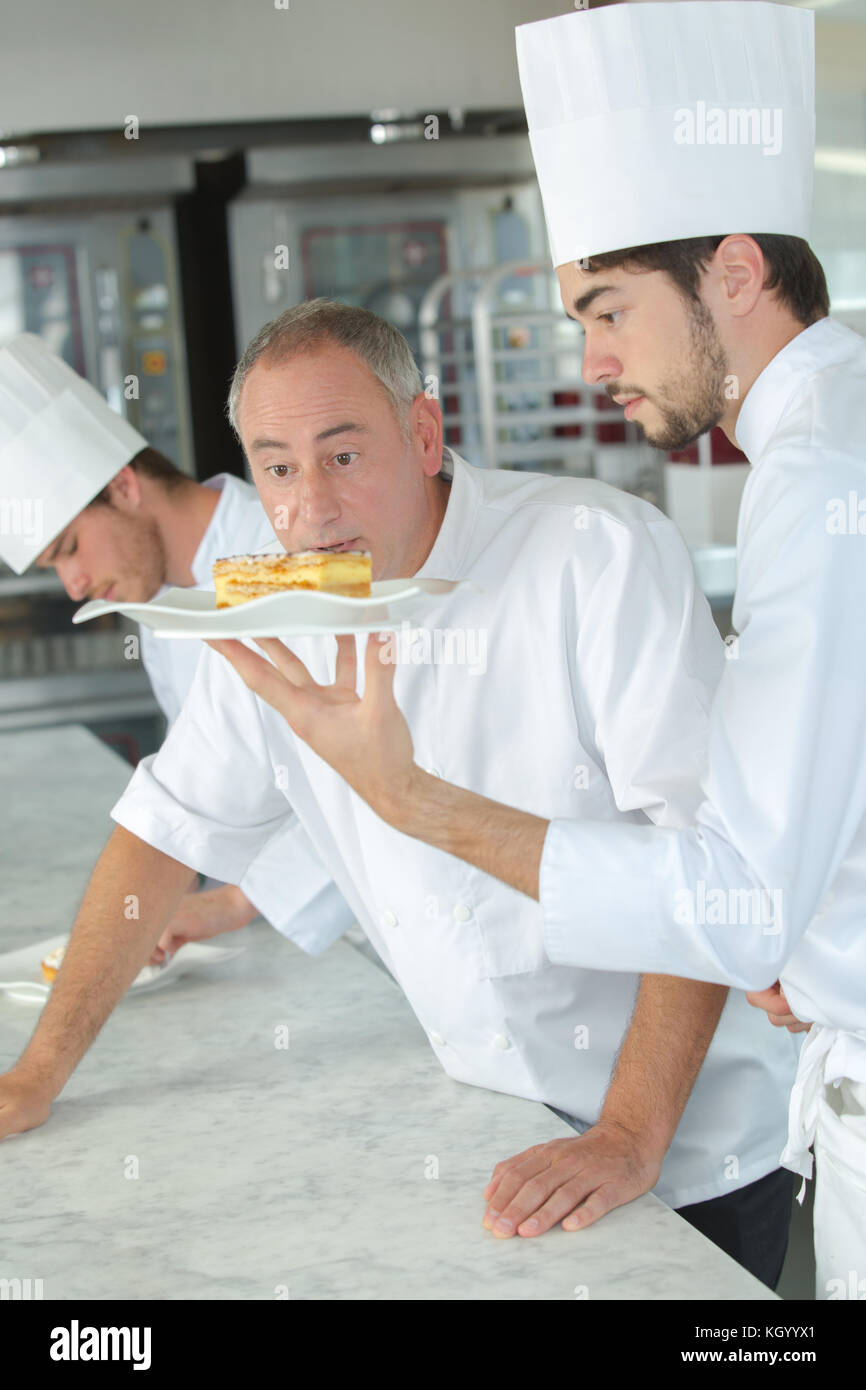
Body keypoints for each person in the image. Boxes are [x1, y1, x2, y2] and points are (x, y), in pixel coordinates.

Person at [241, 4, 866, 1300]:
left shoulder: (813, 480)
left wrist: (409, 797)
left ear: (735, 272)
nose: (590, 359)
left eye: (609, 308)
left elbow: (727, 896)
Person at [0, 299, 801, 1290]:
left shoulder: (595, 552)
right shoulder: (278, 610)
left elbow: (699, 868)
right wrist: (34, 1078)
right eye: (277, 467)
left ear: (422, 433)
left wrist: (631, 1133)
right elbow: (164, 831)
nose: (310, 508)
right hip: (489, 1126)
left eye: (343, 456)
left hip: (682, 1147)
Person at [0, 332, 352, 964]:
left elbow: (367, 777)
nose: (74, 586)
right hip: (262, 946)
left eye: (70, 549)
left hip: (357, 934)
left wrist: (239, 901)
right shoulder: (152, 590)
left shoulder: (283, 560)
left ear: (124, 487)